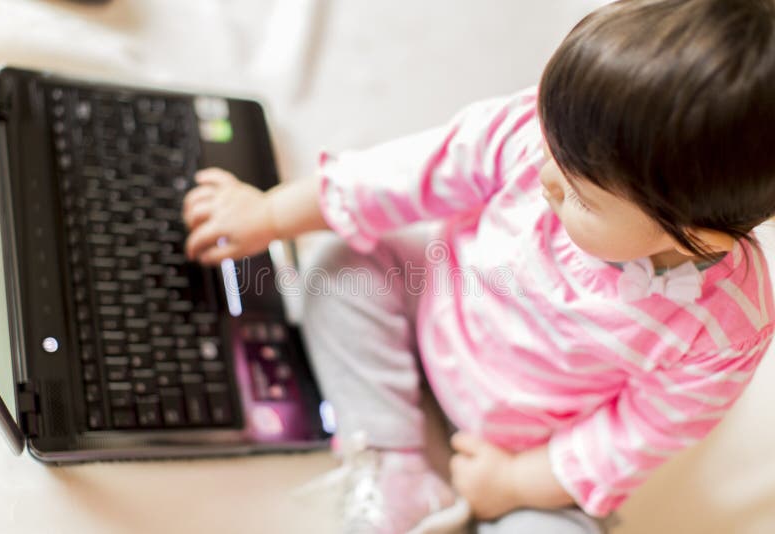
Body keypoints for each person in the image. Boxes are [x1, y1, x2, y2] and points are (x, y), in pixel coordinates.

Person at [181, 0, 775, 532]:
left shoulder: (723, 330)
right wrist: (271, 213)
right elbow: (400, 176)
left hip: (527, 447)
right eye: (551, 144)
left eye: (581, 195)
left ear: (694, 239)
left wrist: (515, 483)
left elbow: (631, 438)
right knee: (342, 266)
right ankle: (396, 462)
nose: (544, 176)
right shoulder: (533, 136)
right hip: (438, 309)